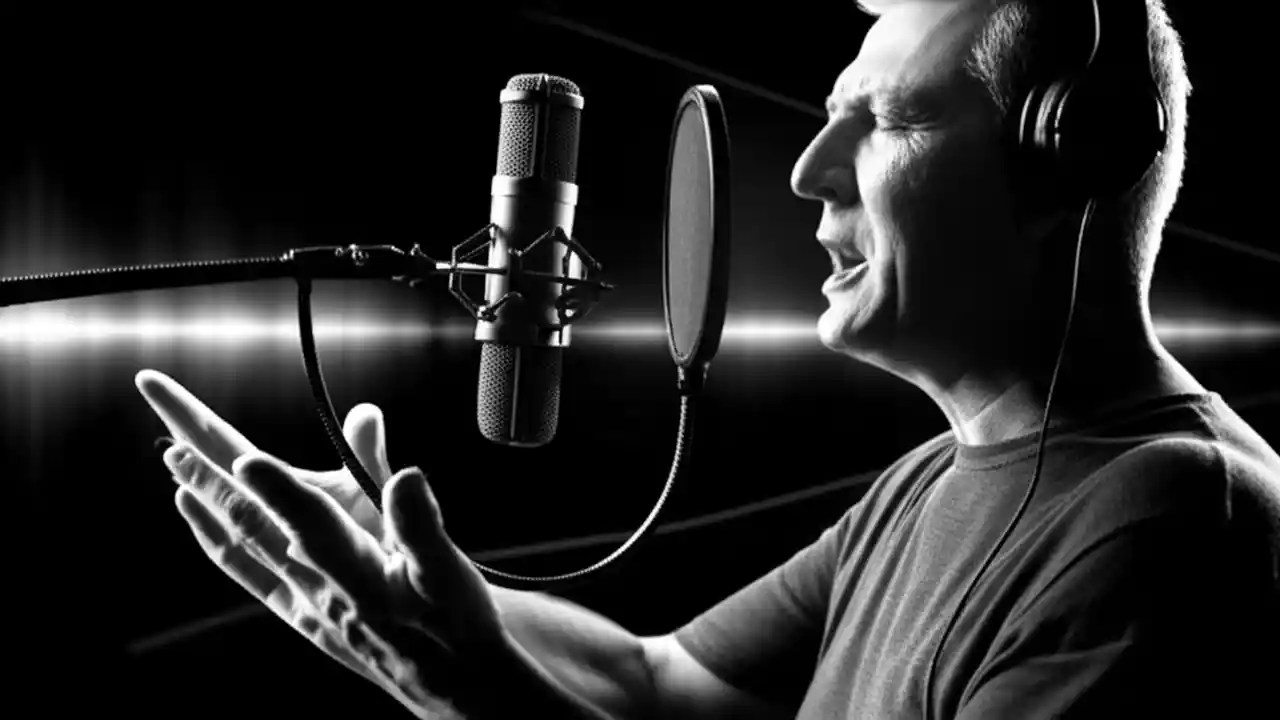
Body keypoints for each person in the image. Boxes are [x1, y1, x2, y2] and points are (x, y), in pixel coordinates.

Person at [136, 0, 1280, 717]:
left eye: (888, 121)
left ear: (1060, 162)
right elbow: (658, 684)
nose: (807, 171)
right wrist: (412, 585)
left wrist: (470, 691)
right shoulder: (927, 485)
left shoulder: (1172, 523)